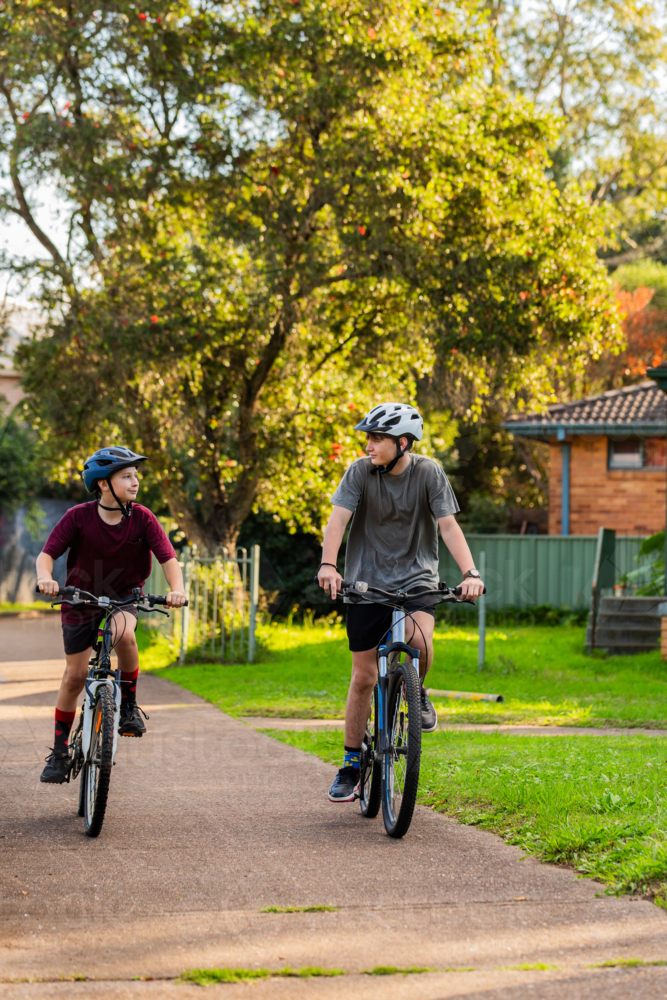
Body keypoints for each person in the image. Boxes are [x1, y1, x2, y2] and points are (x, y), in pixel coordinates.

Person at [317, 403, 485, 803]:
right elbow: (338, 520)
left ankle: (417, 690)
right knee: (364, 677)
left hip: (416, 580)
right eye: (369, 437)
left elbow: (448, 526)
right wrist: (328, 565)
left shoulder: (428, 472)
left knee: (420, 642)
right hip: (365, 582)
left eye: (377, 438)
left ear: (403, 443)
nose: (369, 445)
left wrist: (471, 574)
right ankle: (352, 764)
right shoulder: (359, 472)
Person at [36, 447, 187, 784]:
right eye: (127, 476)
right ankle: (60, 751)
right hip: (79, 598)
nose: (135, 482)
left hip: (123, 597)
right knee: (74, 676)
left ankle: (129, 705)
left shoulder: (143, 518)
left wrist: (177, 589)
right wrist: (46, 579)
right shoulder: (78, 516)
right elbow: (47, 555)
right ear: (103, 484)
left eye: (135, 475)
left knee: (125, 634)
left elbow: (168, 558)